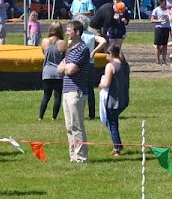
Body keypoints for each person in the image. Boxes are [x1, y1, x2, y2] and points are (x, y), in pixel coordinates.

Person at [59, 20, 92, 163]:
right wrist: (66, 67)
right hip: (66, 90)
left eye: (69, 30)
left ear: (77, 32)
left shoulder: (82, 49)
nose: (66, 32)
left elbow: (70, 70)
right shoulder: (71, 49)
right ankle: (73, 156)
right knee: (69, 126)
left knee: (77, 125)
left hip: (76, 91)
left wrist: (66, 67)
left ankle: (81, 157)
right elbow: (59, 69)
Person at [98, 45, 130, 156]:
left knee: (111, 123)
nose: (105, 56)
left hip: (112, 100)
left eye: (106, 53)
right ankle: (118, 144)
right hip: (123, 98)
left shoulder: (110, 66)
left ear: (111, 53)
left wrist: (100, 85)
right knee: (113, 122)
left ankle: (117, 147)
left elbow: (106, 83)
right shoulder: (125, 65)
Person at [39, 22, 65, 121]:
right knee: (57, 96)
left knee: (46, 95)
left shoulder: (45, 41)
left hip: (47, 72)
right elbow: (65, 57)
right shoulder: (63, 43)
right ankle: (54, 117)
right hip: (58, 72)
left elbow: (44, 53)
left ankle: (40, 116)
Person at [151, 0, 172, 65]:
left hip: (166, 28)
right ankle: (157, 60)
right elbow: (152, 20)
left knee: (165, 45)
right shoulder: (156, 10)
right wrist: (158, 21)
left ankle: (164, 60)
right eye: (164, 2)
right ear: (160, 2)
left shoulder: (167, 10)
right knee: (158, 45)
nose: (165, 3)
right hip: (159, 28)